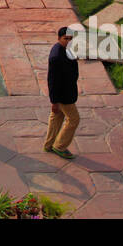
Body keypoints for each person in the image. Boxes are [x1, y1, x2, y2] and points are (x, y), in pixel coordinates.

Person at [44, 25, 80, 160]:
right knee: (74, 119)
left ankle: (49, 144)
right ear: (59, 38)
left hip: (66, 93)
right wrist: (54, 101)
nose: (69, 41)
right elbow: (52, 81)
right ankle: (60, 146)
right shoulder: (56, 56)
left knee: (56, 118)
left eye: (71, 38)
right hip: (63, 96)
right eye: (66, 38)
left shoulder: (64, 49)